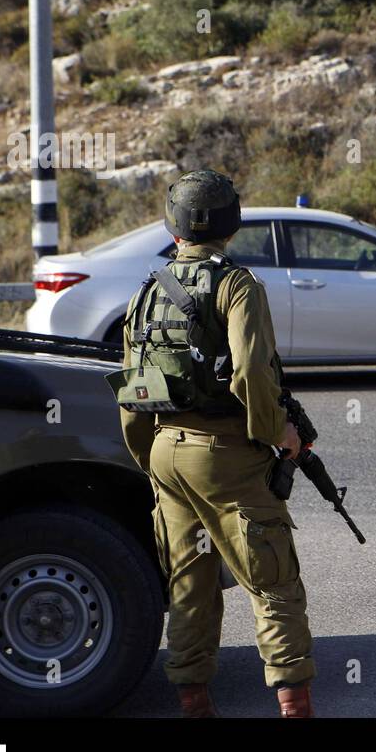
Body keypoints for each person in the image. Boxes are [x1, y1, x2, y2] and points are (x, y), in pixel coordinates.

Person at [112, 169, 316, 718]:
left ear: (173, 224)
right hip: (225, 458)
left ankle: (194, 703)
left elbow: (130, 390)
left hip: (164, 453)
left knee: (190, 585)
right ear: (232, 224)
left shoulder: (147, 292)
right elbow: (252, 373)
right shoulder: (236, 284)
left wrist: (152, 461)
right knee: (272, 582)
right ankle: (295, 705)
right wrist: (280, 435)